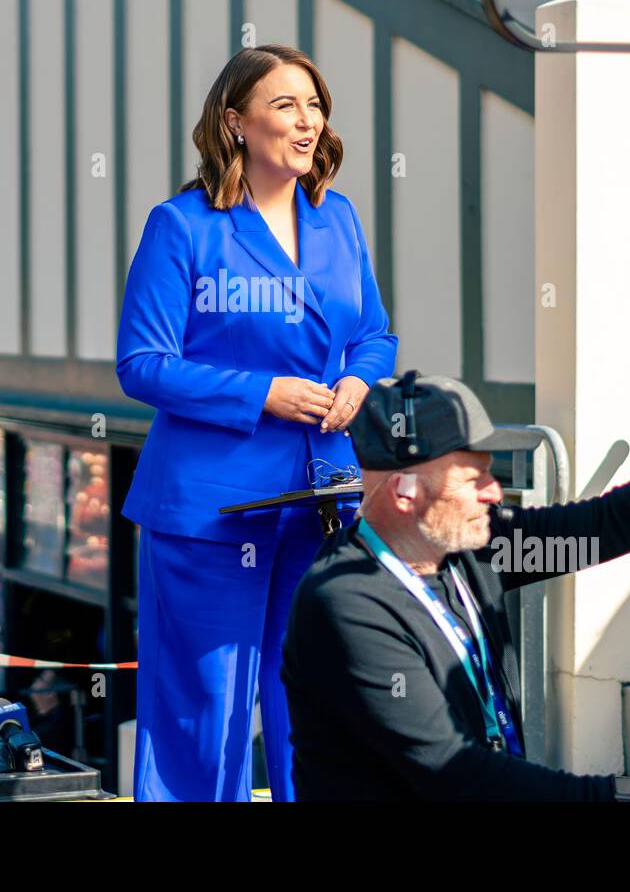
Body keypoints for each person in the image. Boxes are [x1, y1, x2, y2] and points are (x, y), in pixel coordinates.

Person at [116, 44, 398, 801]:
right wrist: (262, 392)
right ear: (236, 122)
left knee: (310, 697)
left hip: (321, 490)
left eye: (314, 105)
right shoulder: (182, 226)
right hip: (212, 504)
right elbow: (142, 362)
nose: (306, 121)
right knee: (206, 708)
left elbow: (375, 332)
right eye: (286, 105)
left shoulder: (336, 218)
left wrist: (357, 378)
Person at [281, 342, 630, 801]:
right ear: (404, 494)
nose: (495, 492)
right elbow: (455, 773)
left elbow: (603, 527)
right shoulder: (345, 604)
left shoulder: (470, 545)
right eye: (472, 479)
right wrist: (624, 798)